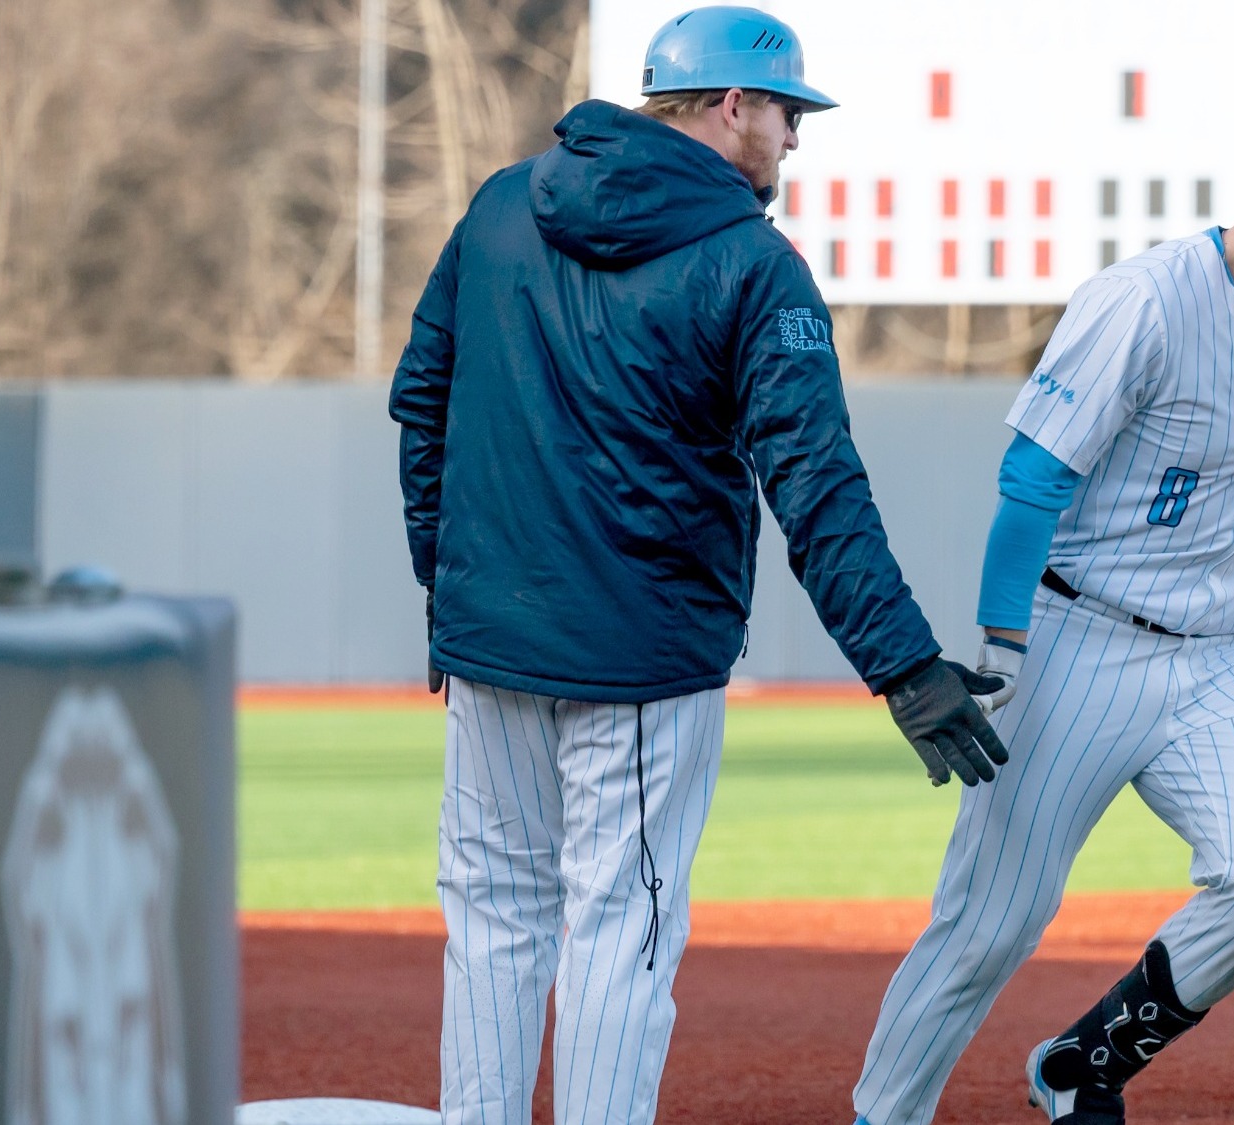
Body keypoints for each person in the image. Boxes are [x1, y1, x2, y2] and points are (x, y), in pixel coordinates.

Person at [386, 7, 1008, 1123]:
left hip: (490, 644)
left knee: (492, 913)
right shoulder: (751, 264)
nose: (793, 139)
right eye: (784, 111)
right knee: (620, 931)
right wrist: (904, 666)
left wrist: (450, 588)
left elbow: (420, 404)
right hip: (643, 662)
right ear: (729, 107)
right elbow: (814, 485)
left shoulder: (496, 209)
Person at [848, 94, 1234, 1125]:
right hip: (1079, 637)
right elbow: (1031, 481)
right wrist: (1000, 646)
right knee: (989, 923)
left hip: (1210, 658)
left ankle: (1081, 1066)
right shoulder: (1146, 301)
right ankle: (882, 1115)